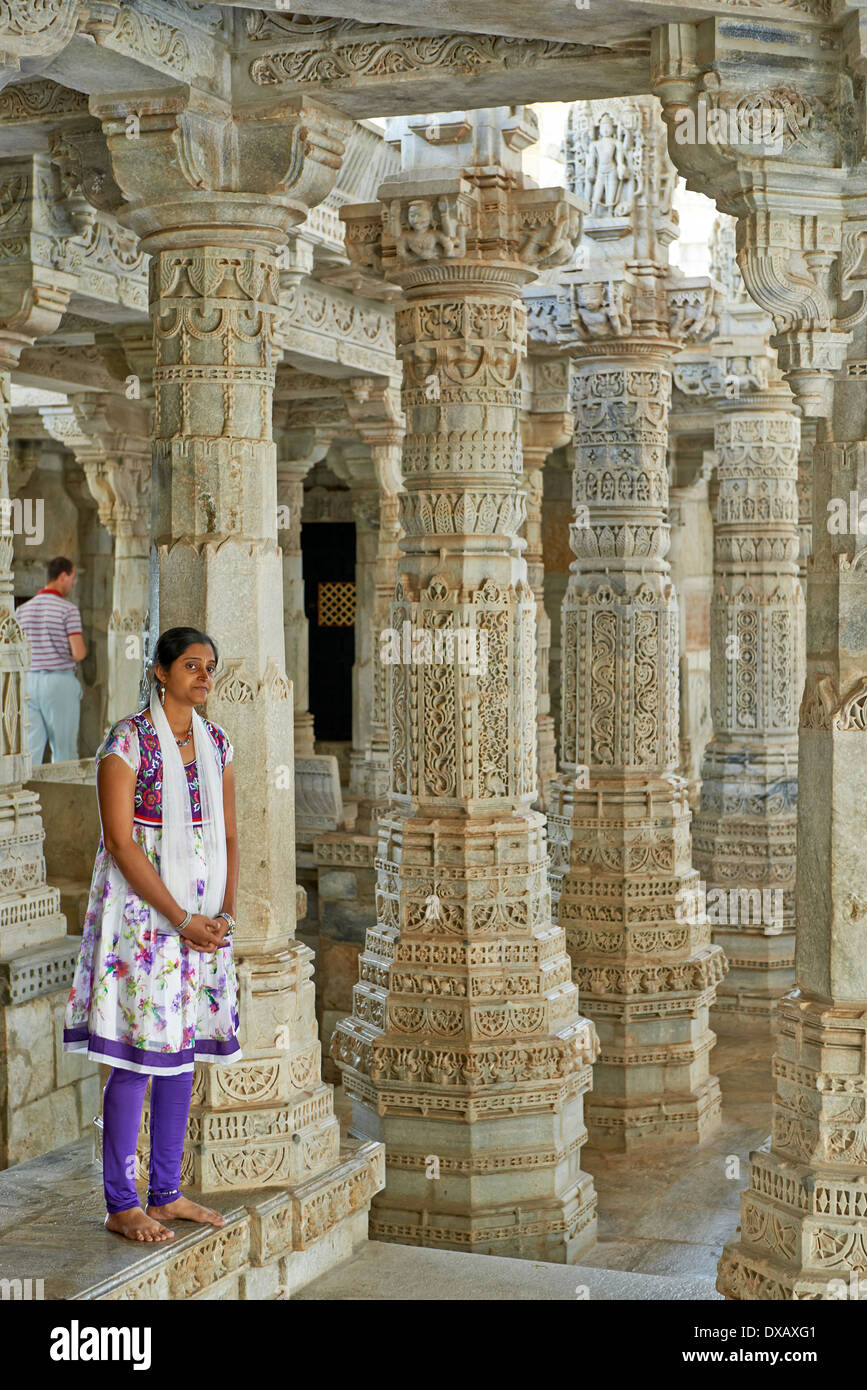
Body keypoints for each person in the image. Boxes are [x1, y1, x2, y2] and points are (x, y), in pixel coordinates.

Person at [63, 626, 240, 1242]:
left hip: (202, 920)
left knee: (179, 1053)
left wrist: (223, 919)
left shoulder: (217, 743)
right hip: (143, 917)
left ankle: (165, 1194)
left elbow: (230, 839)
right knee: (138, 1055)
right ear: (161, 672)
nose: (204, 676)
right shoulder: (128, 742)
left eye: (210, 667)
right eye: (191, 665)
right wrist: (180, 918)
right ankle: (121, 1201)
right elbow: (119, 842)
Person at [16, 556, 86, 764]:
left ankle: (31, 795)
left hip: (28, 682)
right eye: (72, 578)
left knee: (31, 751)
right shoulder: (68, 610)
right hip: (58, 683)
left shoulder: (22, 610)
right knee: (64, 752)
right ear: (63, 576)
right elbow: (78, 653)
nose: (73, 584)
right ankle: (65, 797)